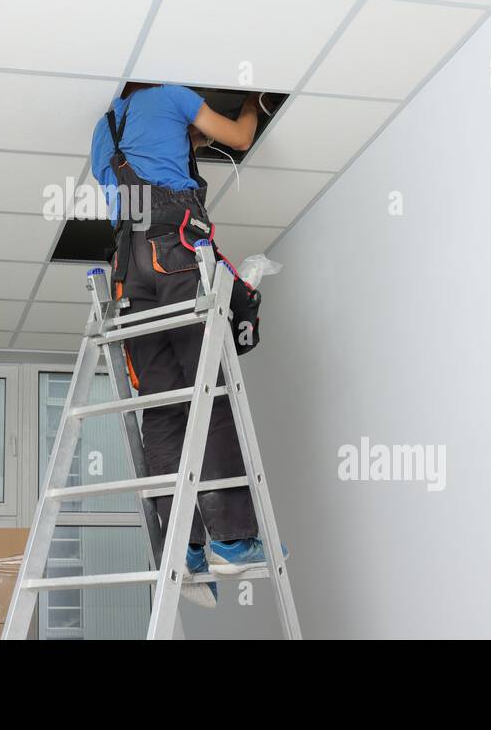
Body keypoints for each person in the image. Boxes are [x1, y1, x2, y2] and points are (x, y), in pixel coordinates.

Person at [89, 83, 286, 608]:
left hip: (128, 280)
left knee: (164, 411)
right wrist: (252, 105)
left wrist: (189, 140)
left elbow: (148, 168)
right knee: (212, 393)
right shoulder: (171, 95)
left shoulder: (103, 130)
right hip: (173, 259)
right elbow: (240, 139)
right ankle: (232, 539)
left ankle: (187, 550)